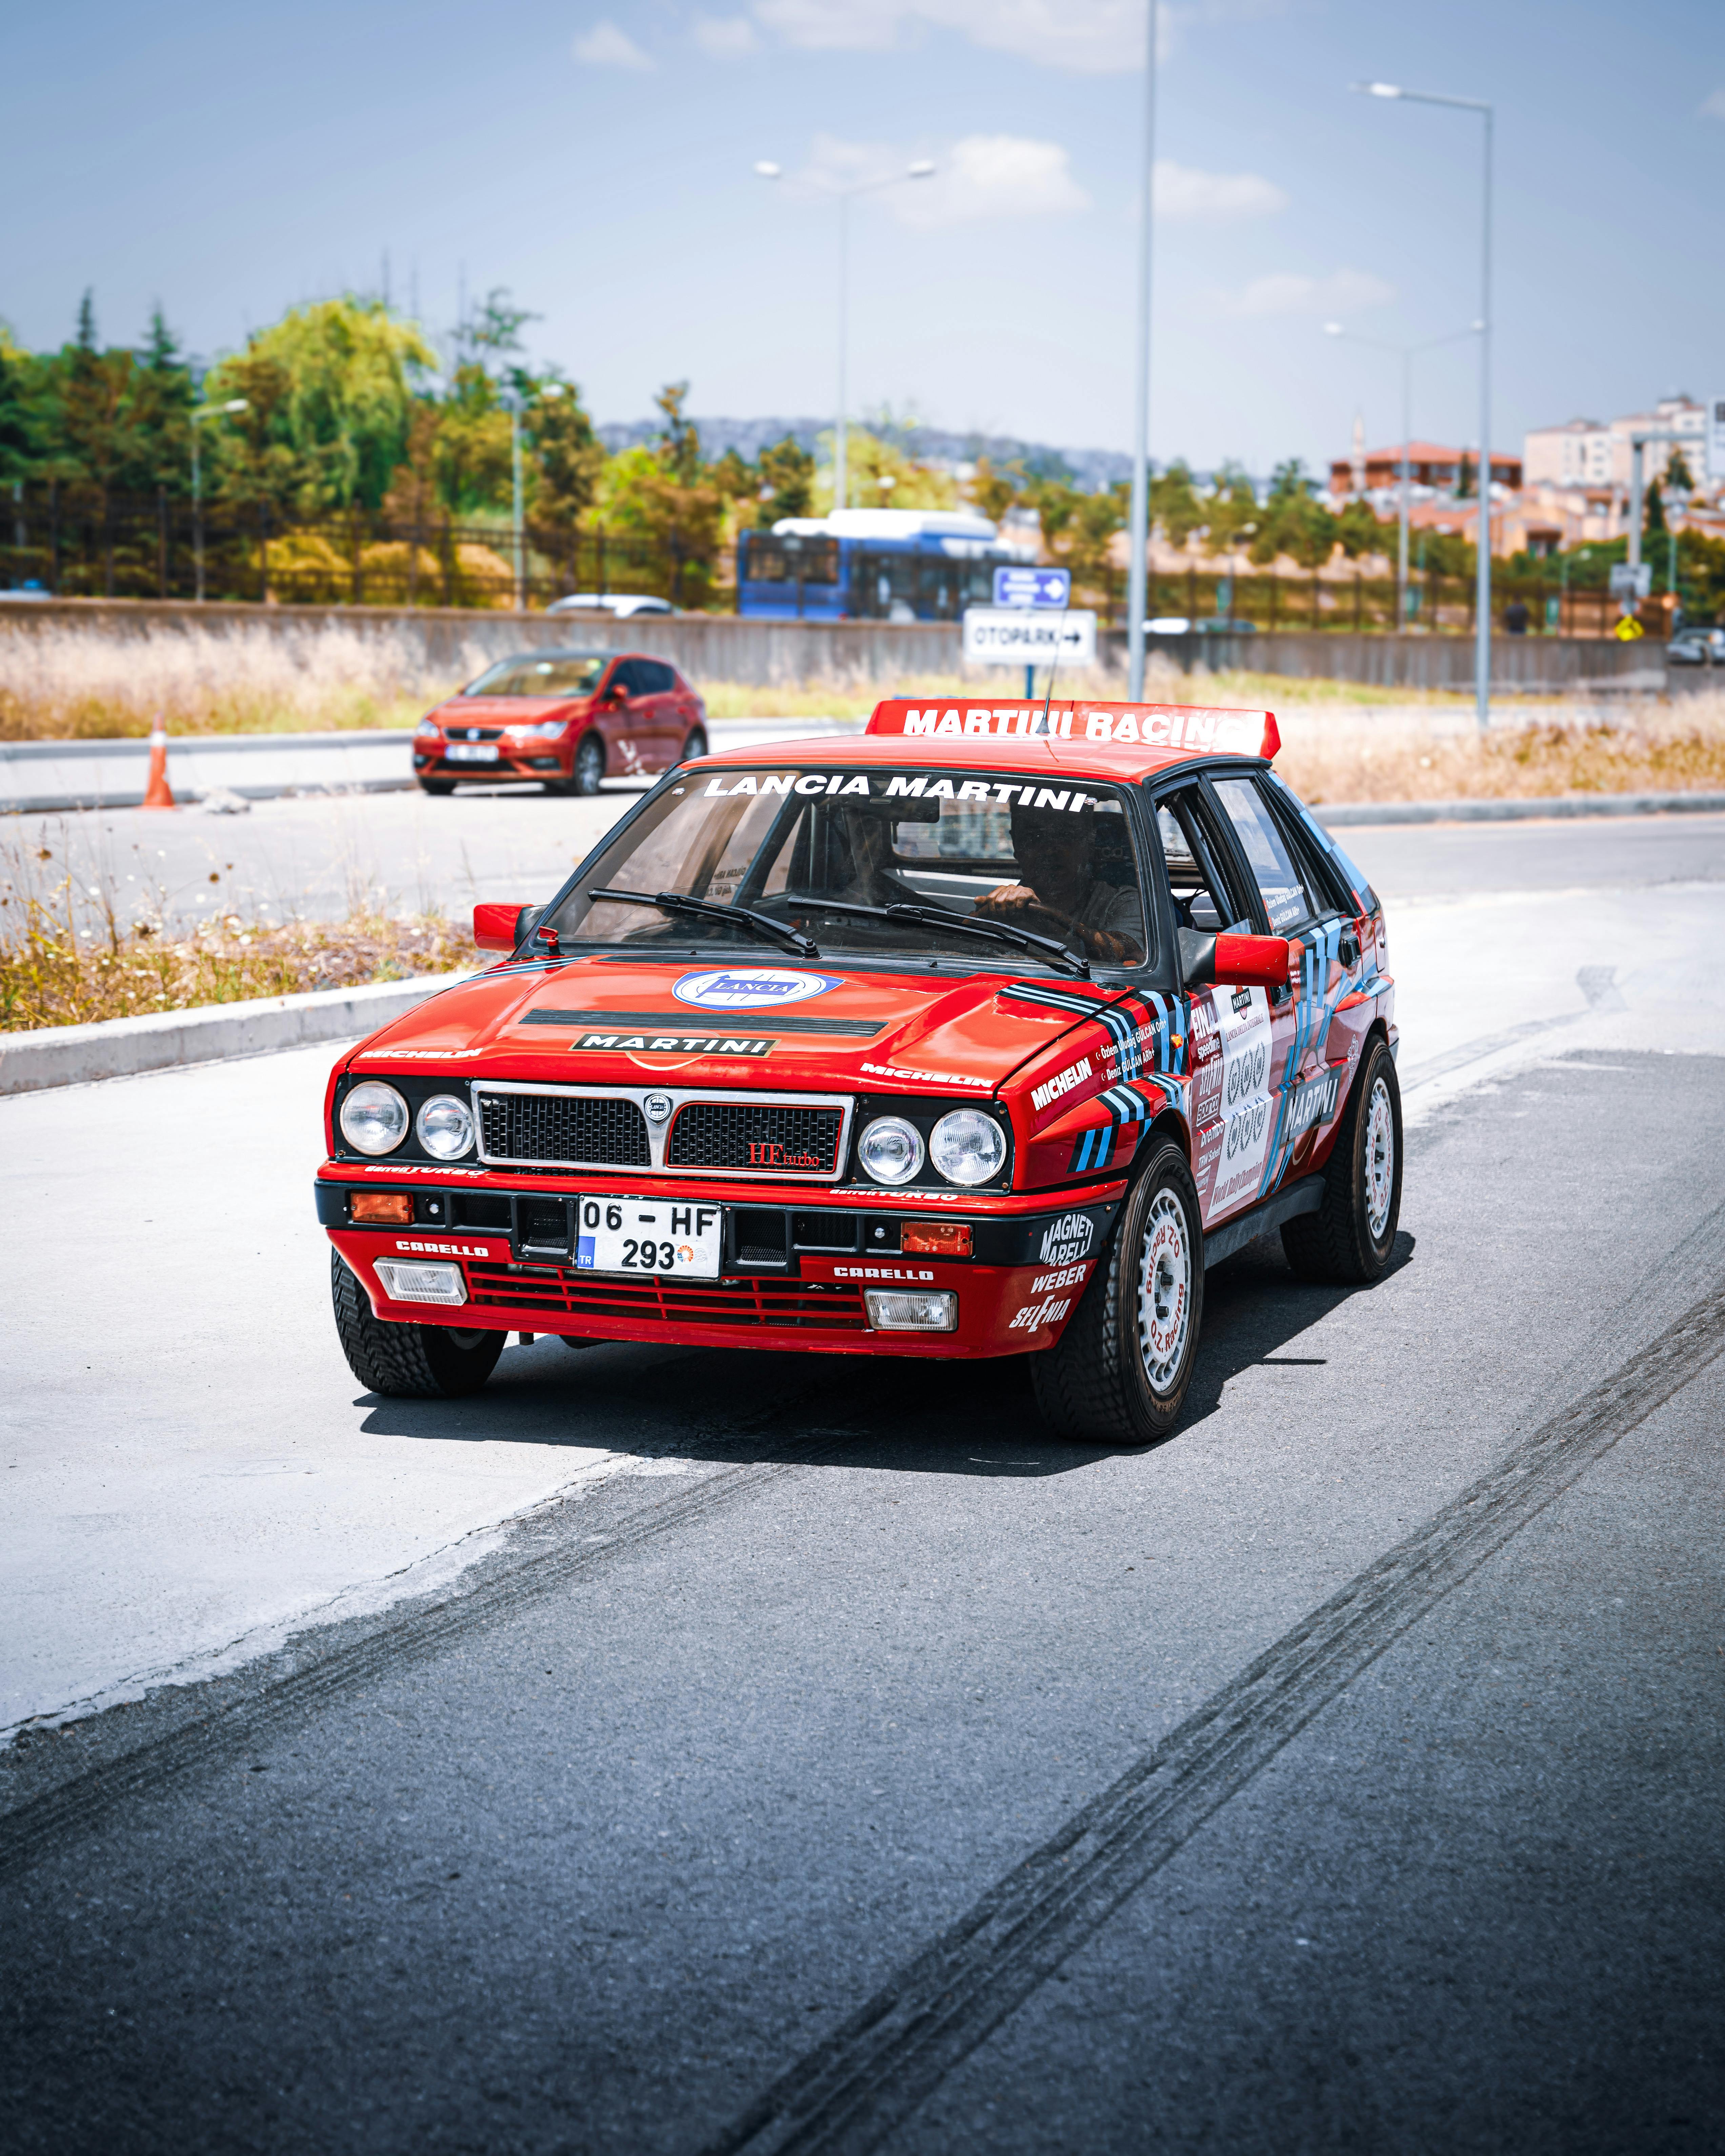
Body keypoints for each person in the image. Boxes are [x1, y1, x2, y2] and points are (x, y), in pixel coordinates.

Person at [972, 799, 1144, 964]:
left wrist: (1048, 919)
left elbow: (1126, 954)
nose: (1049, 850)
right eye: (1035, 837)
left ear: (1089, 842)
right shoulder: (997, 911)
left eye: (1065, 835)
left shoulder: (1123, 901)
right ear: (1017, 845)